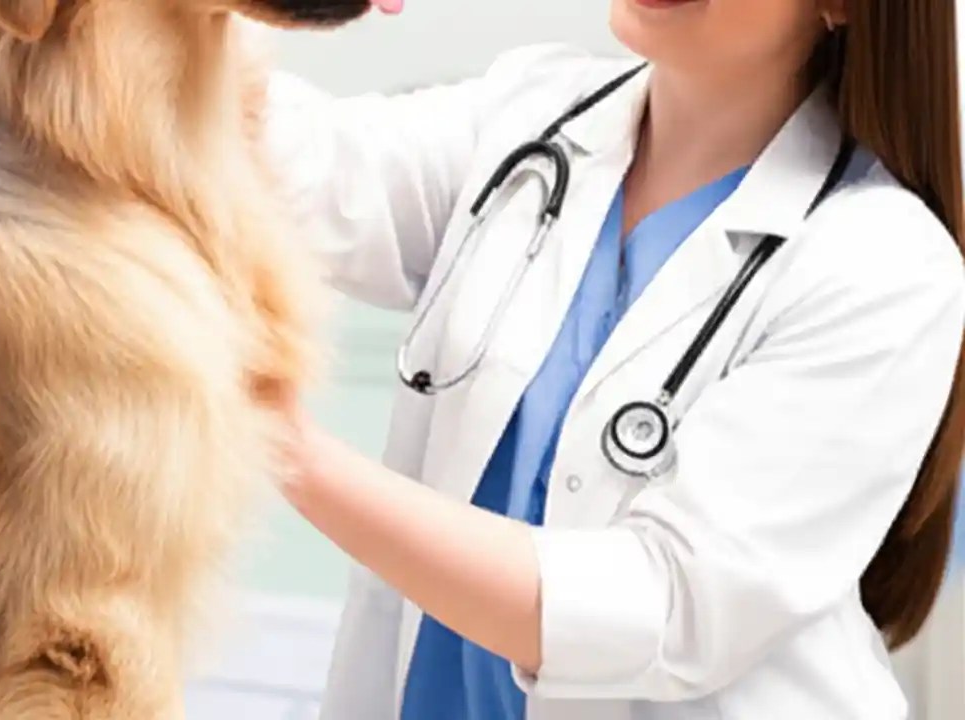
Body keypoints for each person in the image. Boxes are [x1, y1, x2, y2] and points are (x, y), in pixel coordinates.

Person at [260, 1, 965, 719]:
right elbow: (251, 151)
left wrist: (290, 450)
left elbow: (662, 604)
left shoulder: (883, 264)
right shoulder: (528, 118)